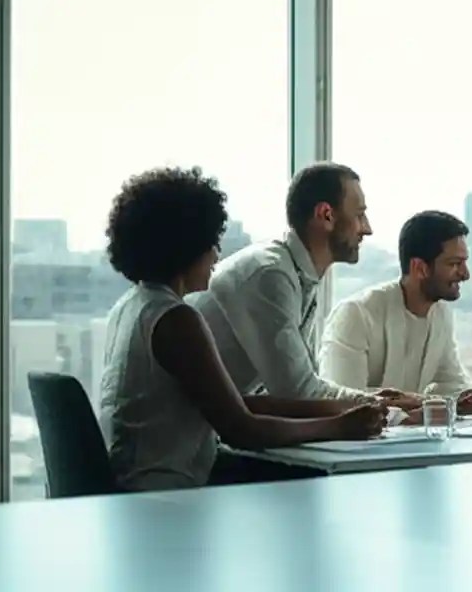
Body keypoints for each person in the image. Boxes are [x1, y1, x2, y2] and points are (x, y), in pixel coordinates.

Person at [97, 167, 386, 492]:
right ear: (184, 246)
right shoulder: (177, 320)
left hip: (145, 484)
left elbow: (234, 403)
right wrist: (337, 426)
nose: (217, 255)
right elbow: (241, 430)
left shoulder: (132, 307)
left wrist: (349, 408)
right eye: (211, 242)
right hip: (166, 494)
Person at [189, 163, 392, 409]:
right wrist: (389, 412)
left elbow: (298, 388)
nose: (367, 229)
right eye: (359, 215)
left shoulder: (297, 274)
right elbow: (298, 393)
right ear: (325, 215)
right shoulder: (269, 276)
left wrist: (386, 403)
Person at [318, 210, 472, 414]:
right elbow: (345, 403)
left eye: (464, 262)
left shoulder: (440, 314)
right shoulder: (356, 315)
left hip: (408, 442)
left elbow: (453, 385)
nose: (465, 274)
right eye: (454, 264)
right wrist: (423, 403)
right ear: (420, 268)